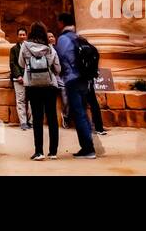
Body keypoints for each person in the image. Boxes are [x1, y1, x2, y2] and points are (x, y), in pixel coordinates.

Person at [54, 12, 96, 158]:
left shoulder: (63, 39)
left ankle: (88, 149)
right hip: (85, 79)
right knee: (84, 112)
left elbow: (59, 60)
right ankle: (89, 145)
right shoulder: (79, 37)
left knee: (78, 114)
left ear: (61, 22)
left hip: (72, 80)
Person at [19, 21, 61, 160]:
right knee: (52, 118)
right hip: (49, 85)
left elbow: (20, 63)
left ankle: (39, 152)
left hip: (32, 85)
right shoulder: (50, 48)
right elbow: (58, 68)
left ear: (30, 32)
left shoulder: (25, 45)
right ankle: (53, 152)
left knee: (37, 119)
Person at [9, 26, 29, 130]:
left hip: (30, 78)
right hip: (19, 79)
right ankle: (23, 122)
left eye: (23, 34)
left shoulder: (31, 48)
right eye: (20, 35)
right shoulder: (13, 49)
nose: (22, 36)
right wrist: (18, 76)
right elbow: (13, 64)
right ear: (17, 36)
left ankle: (30, 121)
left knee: (30, 101)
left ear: (26, 36)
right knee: (20, 100)